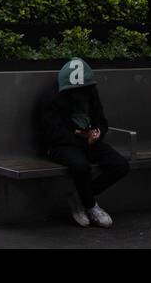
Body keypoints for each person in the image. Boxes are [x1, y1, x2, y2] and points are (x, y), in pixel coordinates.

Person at [38, 58, 129, 228]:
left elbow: (101, 121)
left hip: (88, 141)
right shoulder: (50, 98)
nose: (79, 94)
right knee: (80, 166)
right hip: (62, 144)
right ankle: (90, 205)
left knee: (120, 165)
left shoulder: (91, 92)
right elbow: (52, 134)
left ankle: (81, 197)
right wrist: (81, 137)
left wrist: (97, 133)